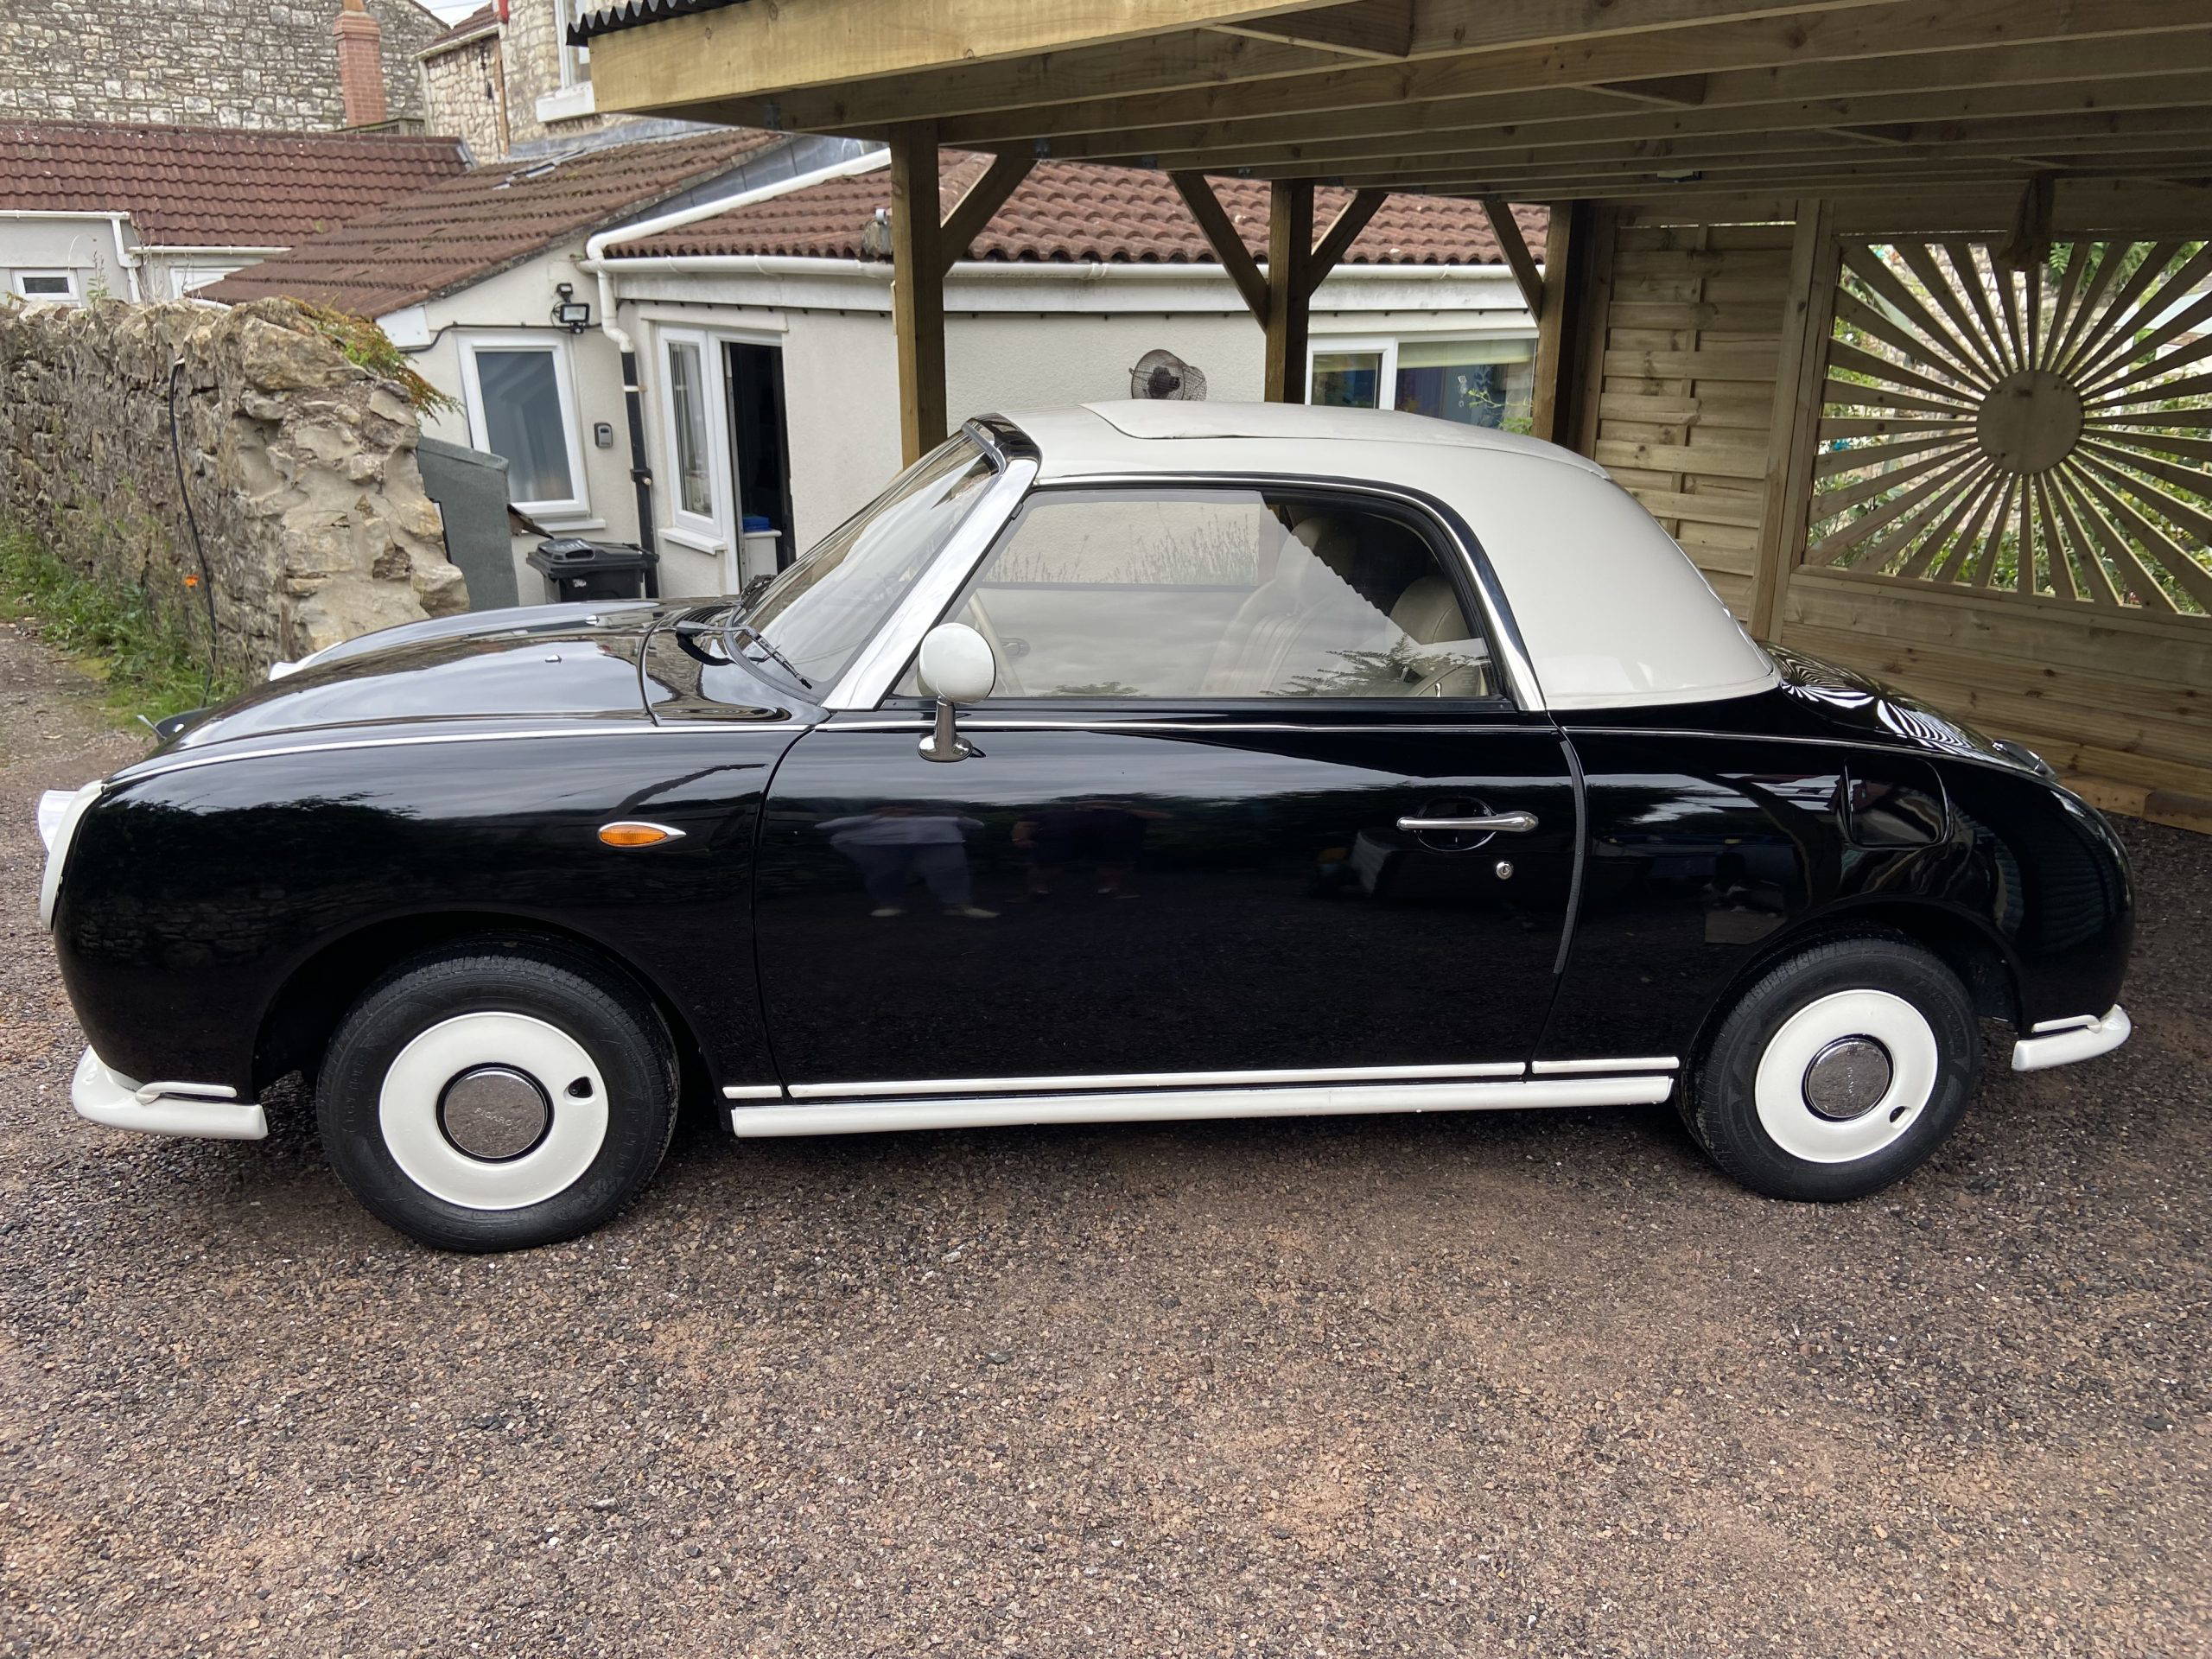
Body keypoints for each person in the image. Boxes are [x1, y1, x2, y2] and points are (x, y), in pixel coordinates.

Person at [818, 804, 996, 918]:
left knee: (950, 871)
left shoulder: (940, 817)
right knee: (885, 872)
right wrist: (878, 816)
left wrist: (957, 816)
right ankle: (890, 904)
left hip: (939, 843)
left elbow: (977, 825)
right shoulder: (873, 820)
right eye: (897, 807)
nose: (904, 810)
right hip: (884, 846)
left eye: (908, 808)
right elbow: (825, 826)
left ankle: (959, 906)